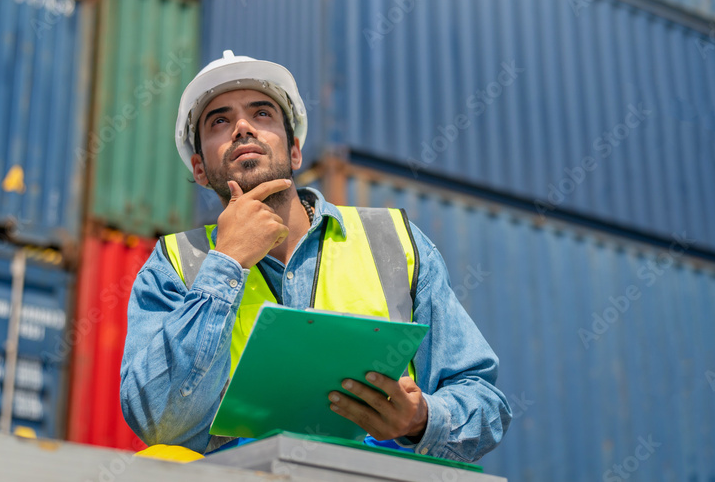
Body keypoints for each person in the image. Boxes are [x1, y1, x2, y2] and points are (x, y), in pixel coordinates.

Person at [120, 50, 511, 461]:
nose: (242, 127)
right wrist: (227, 263)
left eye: (262, 113)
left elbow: (486, 405)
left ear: (294, 151)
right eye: (219, 121)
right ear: (199, 168)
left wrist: (419, 419)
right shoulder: (175, 265)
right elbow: (159, 422)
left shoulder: (394, 243)